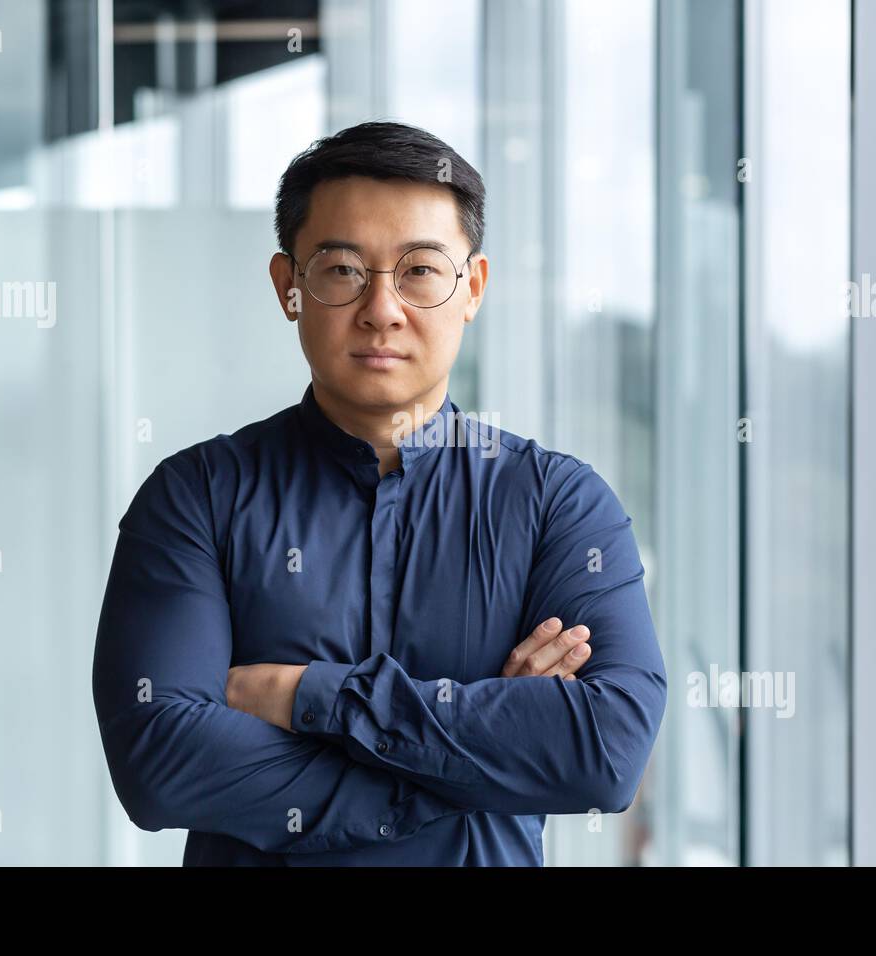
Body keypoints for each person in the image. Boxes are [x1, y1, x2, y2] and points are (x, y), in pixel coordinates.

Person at [91, 120, 667, 866]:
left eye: (421, 270)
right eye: (342, 270)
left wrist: (312, 698)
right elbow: (159, 762)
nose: (382, 309)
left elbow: (606, 751)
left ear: (474, 289)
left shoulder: (558, 503)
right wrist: (483, 759)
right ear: (287, 286)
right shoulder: (196, 498)